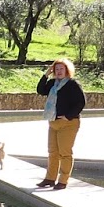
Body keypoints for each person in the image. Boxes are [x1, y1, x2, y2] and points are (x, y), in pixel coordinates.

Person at [35, 58, 85, 189]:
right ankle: (50, 179)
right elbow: (40, 90)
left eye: (61, 69)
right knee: (52, 152)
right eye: (56, 69)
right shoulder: (52, 84)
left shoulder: (73, 84)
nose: (59, 71)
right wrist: (46, 74)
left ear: (67, 70)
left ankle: (63, 181)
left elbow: (81, 102)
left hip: (68, 123)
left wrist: (68, 116)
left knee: (65, 153)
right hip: (53, 122)